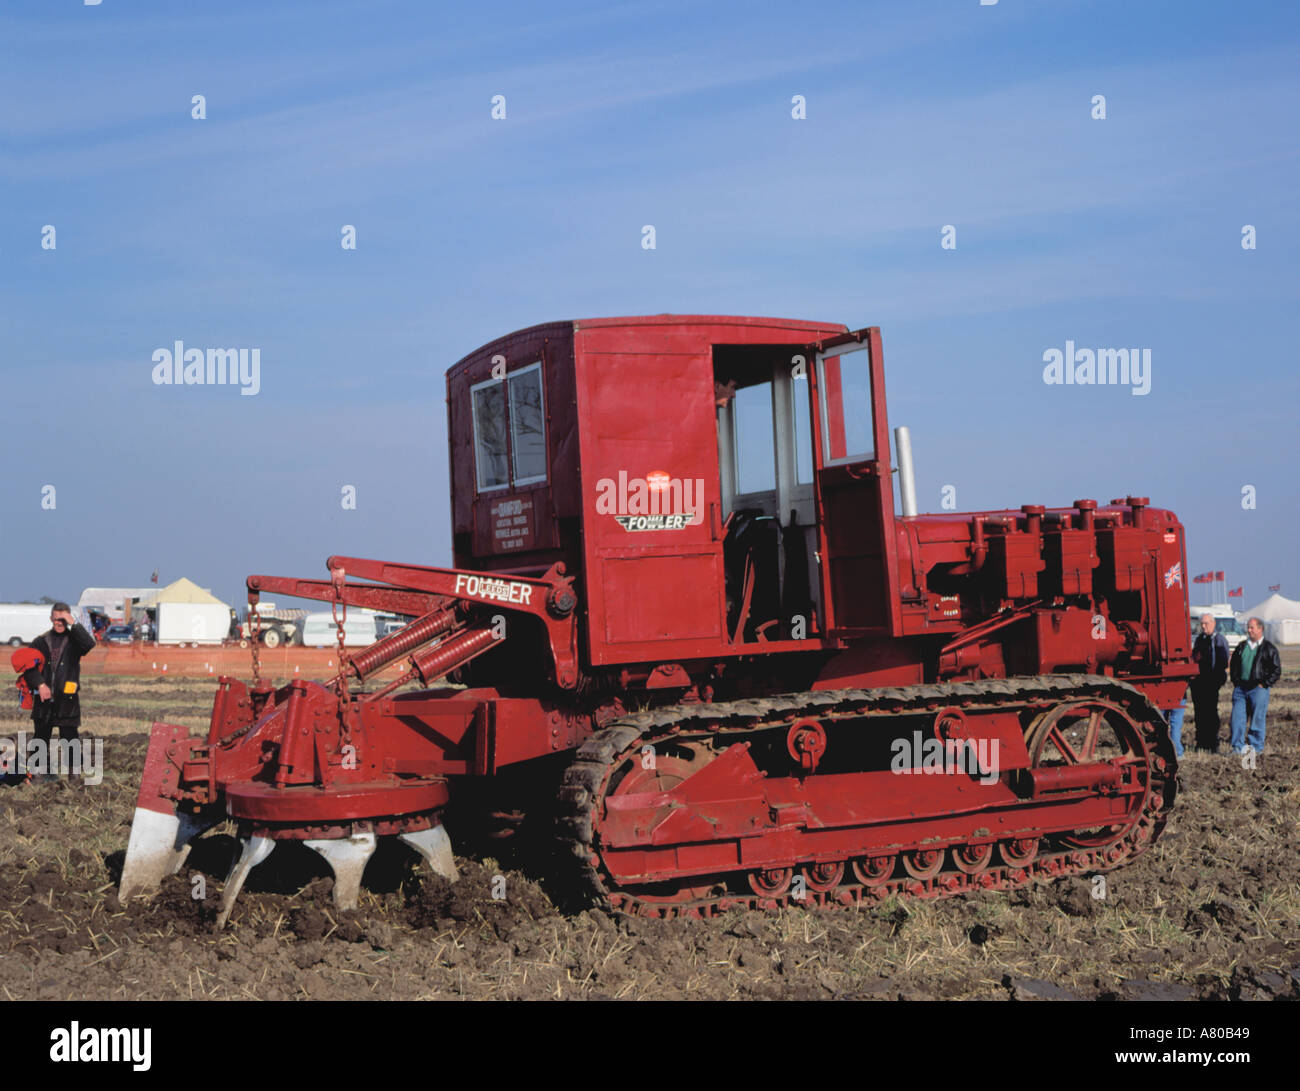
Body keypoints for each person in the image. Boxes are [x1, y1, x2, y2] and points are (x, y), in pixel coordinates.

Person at [19, 603, 97, 781]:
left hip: (67, 699)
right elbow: (28, 667)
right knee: (41, 736)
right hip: (43, 699)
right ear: (50, 619)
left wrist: (74, 624)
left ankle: (73, 774)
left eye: (63, 619)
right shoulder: (40, 641)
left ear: (68, 618)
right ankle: (38, 772)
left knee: (70, 738)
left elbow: (89, 644)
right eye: (56, 619)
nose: (59, 623)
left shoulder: (75, 641)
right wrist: (40, 684)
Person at [1228, 617, 1281, 755]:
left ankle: (1255, 748)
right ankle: (1237, 748)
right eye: (1248, 627)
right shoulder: (1241, 647)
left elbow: (1276, 670)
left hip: (1258, 689)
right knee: (1237, 719)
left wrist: (1264, 684)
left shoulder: (1269, 648)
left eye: (1252, 627)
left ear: (1260, 628)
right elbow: (1233, 666)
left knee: (1257, 719)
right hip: (1240, 688)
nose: (1249, 630)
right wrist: (1236, 681)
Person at [1190, 613, 1230, 751]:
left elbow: (1223, 661)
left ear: (1213, 623)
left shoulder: (1219, 640)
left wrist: (1217, 680)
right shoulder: (1200, 639)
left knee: (1211, 713)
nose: (1203, 626)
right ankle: (1201, 742)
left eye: (1206, 623)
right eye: (1201, 624)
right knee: (1199, 713)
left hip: (1211, 682)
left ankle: (1212, 743)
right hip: (1199, 683)